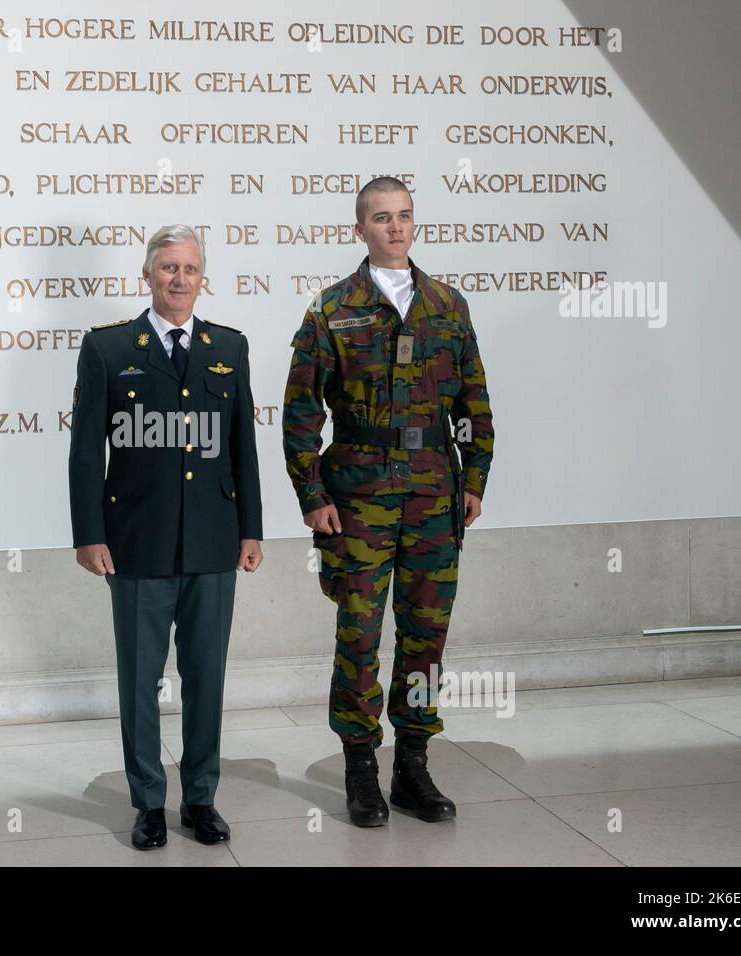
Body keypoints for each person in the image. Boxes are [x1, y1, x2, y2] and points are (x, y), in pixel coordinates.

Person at [282, 177, 494, 826]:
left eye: (404, 216)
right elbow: (298, 415)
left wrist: (475, 480)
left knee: (426, 639)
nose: (395, 228)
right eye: (381, 218)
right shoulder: (332, 310)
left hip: (434, 498)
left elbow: (474, 406)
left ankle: (413, 767)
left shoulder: (448, 306)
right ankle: (360, 771)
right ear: (360, 229)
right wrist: (312, 497)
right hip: (357, 503)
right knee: (359, 637)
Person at [68, 224, 264, 850]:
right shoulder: (107, 348)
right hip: (136, 542)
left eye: (190, 269)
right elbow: (84, 453)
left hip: (212, 541)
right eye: (168, 268)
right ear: (147, 275)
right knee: (140, 680)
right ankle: (149, 802)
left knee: (207, 676)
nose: (179, 279)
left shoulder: (228, 347)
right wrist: (89, 533)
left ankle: (200, 798)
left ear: (202, 277)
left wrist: (251, 530)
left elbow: (242, 449)